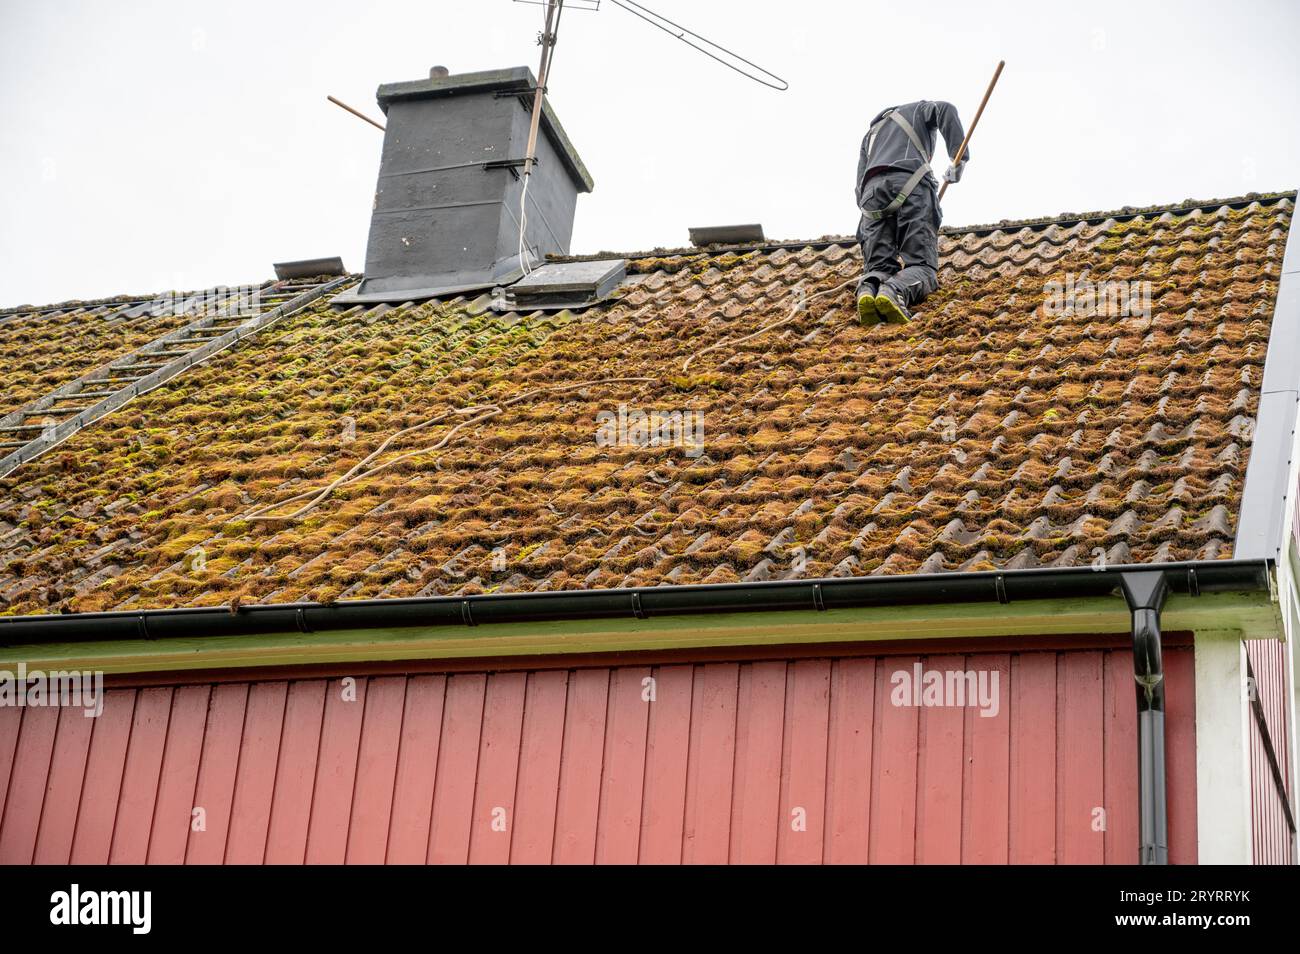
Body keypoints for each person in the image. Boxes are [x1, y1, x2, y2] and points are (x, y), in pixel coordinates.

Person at [855, 100, 968, 324]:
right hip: (911, 183)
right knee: (922, 266)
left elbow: (860, 189)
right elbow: (945, 109)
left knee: (878, 266)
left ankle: (868, 289)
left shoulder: (870, 136)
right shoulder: (917, 109)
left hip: (871, 198)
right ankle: (894, 291)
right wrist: (959, 159)